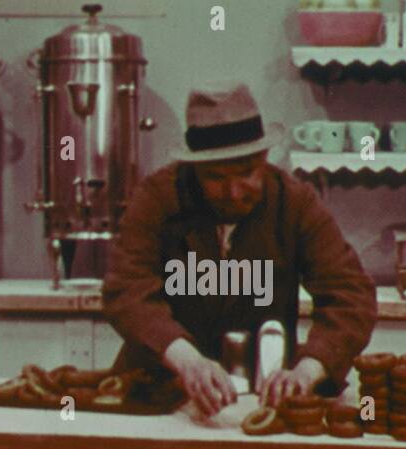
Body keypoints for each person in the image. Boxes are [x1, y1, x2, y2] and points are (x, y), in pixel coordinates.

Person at [102, 81, 376, 417]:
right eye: (215, 177)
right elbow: (126, 290)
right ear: (193, 169)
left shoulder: (295, 202)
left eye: (246, 172)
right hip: (159, 391)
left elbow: (350, 296)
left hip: (266, 395)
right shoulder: (157, 198)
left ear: (264, 157)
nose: (233, 192)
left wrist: (308, 370)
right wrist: (187, 361)